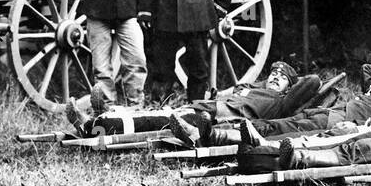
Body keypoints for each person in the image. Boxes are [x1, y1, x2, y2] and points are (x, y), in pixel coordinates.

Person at [66, 61, 319, 139]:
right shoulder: (252, 89)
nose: (276, 78)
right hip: (203, 108)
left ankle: (92, 126)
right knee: (158, 114)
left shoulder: (280, 103)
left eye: (282, 78)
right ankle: (103, 114)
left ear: (289, 87)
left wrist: (292, 86)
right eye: (273, 74)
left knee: (154, 120)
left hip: (214, 119)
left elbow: (314, 82)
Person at [235, 54, 371, 142]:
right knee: (282, 123)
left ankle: (236, 135)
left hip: (341, 121)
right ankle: (231, 131)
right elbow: (367, 68)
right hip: (330, 112)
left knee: (283, 128)